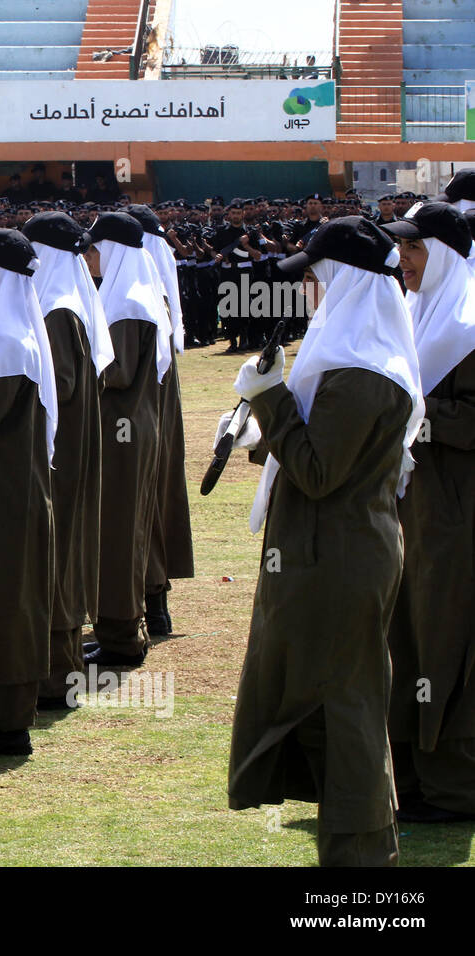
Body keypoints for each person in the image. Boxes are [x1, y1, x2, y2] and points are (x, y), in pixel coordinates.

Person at [228, 216, 423, 866]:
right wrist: (268, 430)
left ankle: (363, 854)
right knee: (335, 703)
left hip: (339, 557)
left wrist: (270, 399)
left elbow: (318, 469)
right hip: (333, 551)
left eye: (315, 275)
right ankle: (355, 849)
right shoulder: (353, 357)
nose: (307, 288)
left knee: (349, 708)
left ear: (346, 279)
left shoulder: (361, 369)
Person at [380, 202, 475, 823]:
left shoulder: (467, 326)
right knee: (410, 636)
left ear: (441, 253)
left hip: (455, 508)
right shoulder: (422, 310)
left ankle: (455, 787)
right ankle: (413, 776)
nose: (404, 261)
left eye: (415, 249)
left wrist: (413, 416)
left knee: (448, 638)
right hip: (419, 506)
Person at [0, 228, 59, 755]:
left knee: (9, 604)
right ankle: (1, 717)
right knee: (7, 602)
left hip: (10, 492)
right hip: (13, 487)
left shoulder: (3, 336)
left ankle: (7, 722)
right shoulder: (2, 325)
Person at [24, 212, 112, 707]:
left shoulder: (57, 309)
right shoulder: (68, 302)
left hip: (59, 456)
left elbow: (55, 388)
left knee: (54, 558)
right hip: (72, 451)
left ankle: (55, 676)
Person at [83, 212, 172, 668]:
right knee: (124, 530)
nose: (91, 259)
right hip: (133, 428)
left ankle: (121, 636)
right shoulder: (131, 294)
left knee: (119, 533)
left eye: (96, 250)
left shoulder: (126, 303)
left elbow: (116, 373)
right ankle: (122, 627)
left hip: (124, 433)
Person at [126, 205, 195, 637]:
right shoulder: (155, 294)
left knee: (146, 501)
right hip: (154, 415)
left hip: (142, 416)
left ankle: (151, 602)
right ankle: (155, 604)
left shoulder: (137, 299)